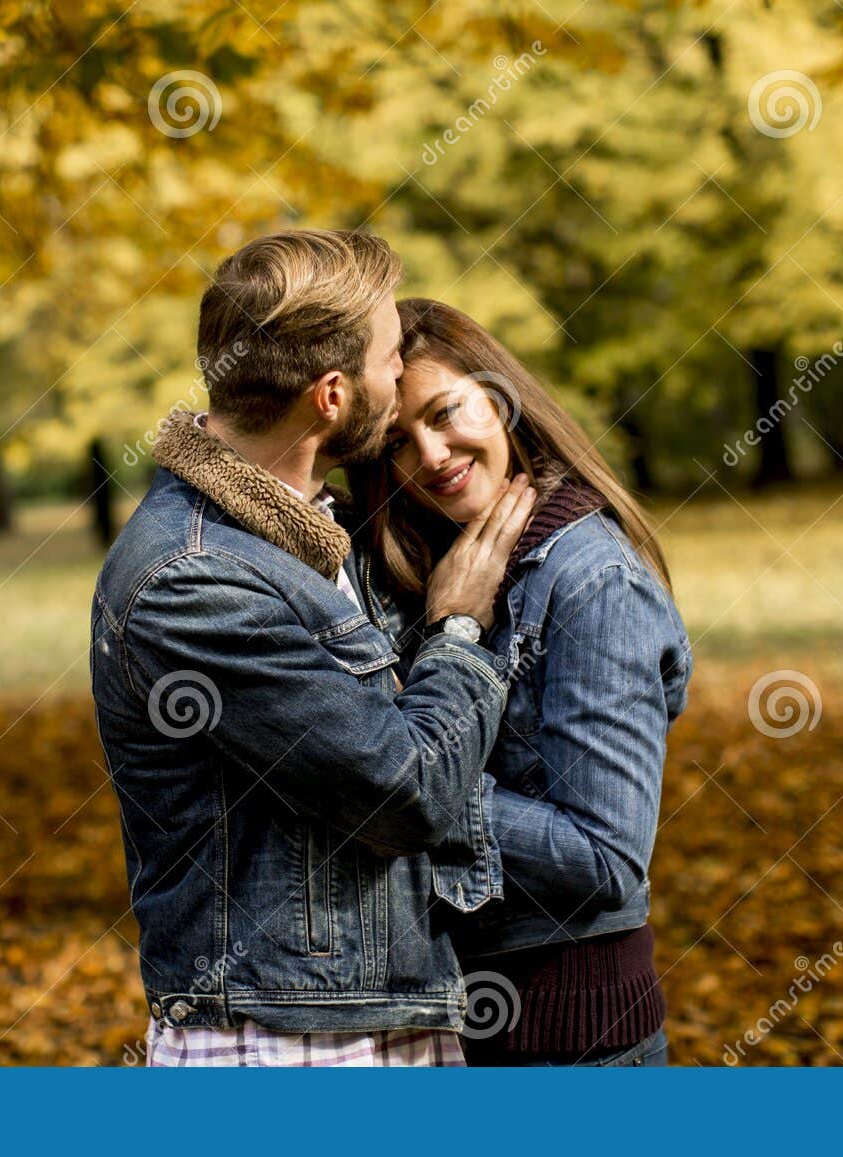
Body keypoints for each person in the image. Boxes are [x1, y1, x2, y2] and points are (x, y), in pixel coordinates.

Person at [90, 231, 536, 1066]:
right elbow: (408, 790)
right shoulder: (195, 582)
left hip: (368, 1016)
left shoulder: (299, 533)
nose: (402, 375)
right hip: (285, 1043)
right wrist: (459, 630)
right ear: (332, 395)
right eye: (392, 358)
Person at [349, 298, 693, 1066]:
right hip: (451, 1033)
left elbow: (607, 855)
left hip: (578, 1045)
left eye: (447, 412)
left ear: (502, 400)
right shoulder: (433, 570)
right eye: (398, 442)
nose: (432, 454)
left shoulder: (590, 581)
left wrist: (408, 782)